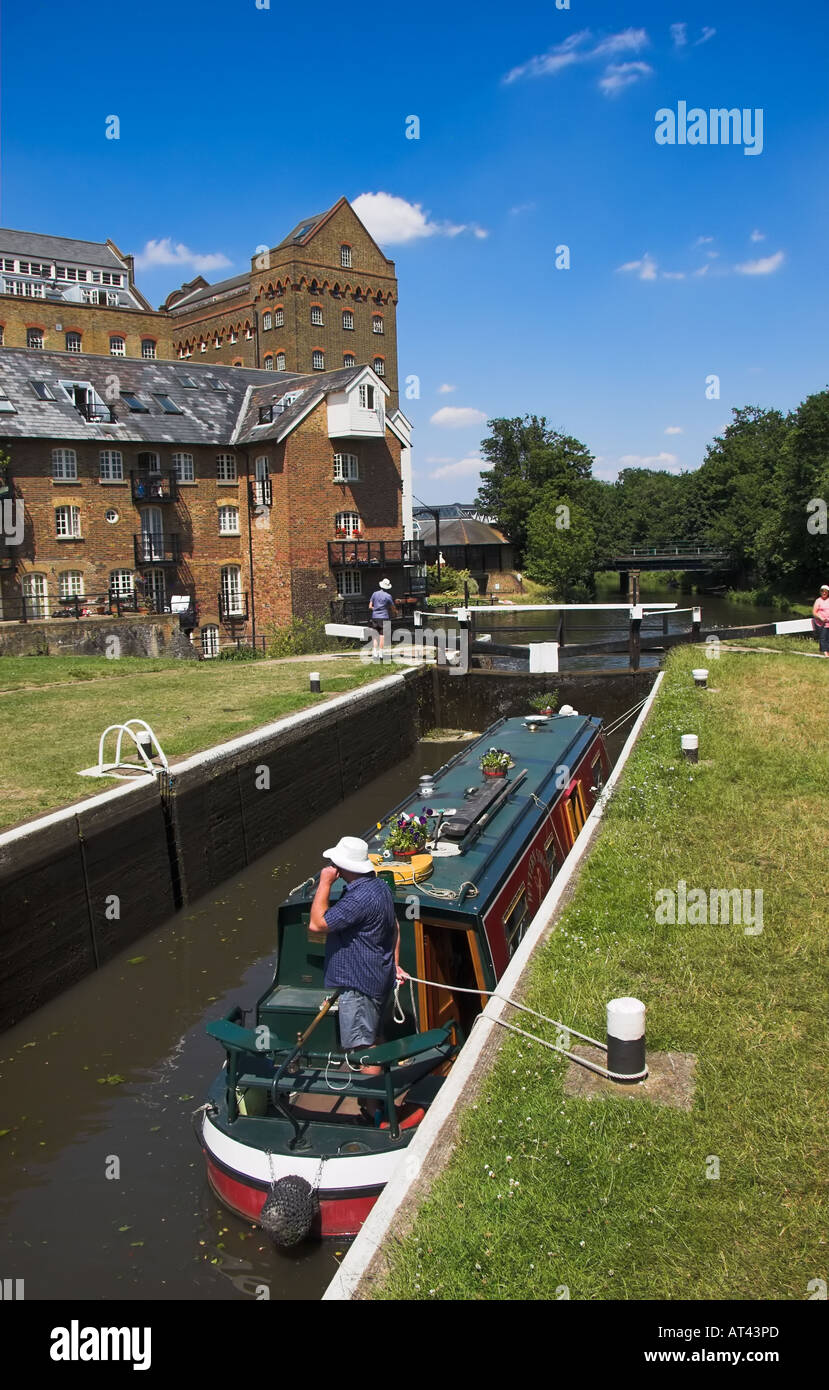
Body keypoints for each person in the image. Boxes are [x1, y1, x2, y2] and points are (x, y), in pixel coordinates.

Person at [309, 836, 406, 1122]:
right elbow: (396, 927)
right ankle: (376, 1097)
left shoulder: (358, 899)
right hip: (378, 976)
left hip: (360, 984)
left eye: (333, 863)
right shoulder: (378, 887)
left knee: (363, 1046)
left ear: (342, 866)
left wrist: (325, 883)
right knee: (373, 1034)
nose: (330, 866)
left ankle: (374, 1110)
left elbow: (317, 924)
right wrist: (395, 965)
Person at [368, 578, 397, 660]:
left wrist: (376, 609)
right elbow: (392, 608)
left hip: (374, 617)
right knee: (382, 636)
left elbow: (370, 606)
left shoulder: (374, 594)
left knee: (375, 635)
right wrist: (395, 613)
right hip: (384, 617)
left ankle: (374, 652)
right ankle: (380, 653)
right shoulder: (388, 596)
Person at [812, 583, 829, 657]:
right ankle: (826, 654)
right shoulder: (818, 600)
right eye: (822, 591)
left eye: (826, 591)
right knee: (823, 638)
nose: (824, 593)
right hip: (821, 623)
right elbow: (814, 612)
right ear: (820, 592)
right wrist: (821, 618)